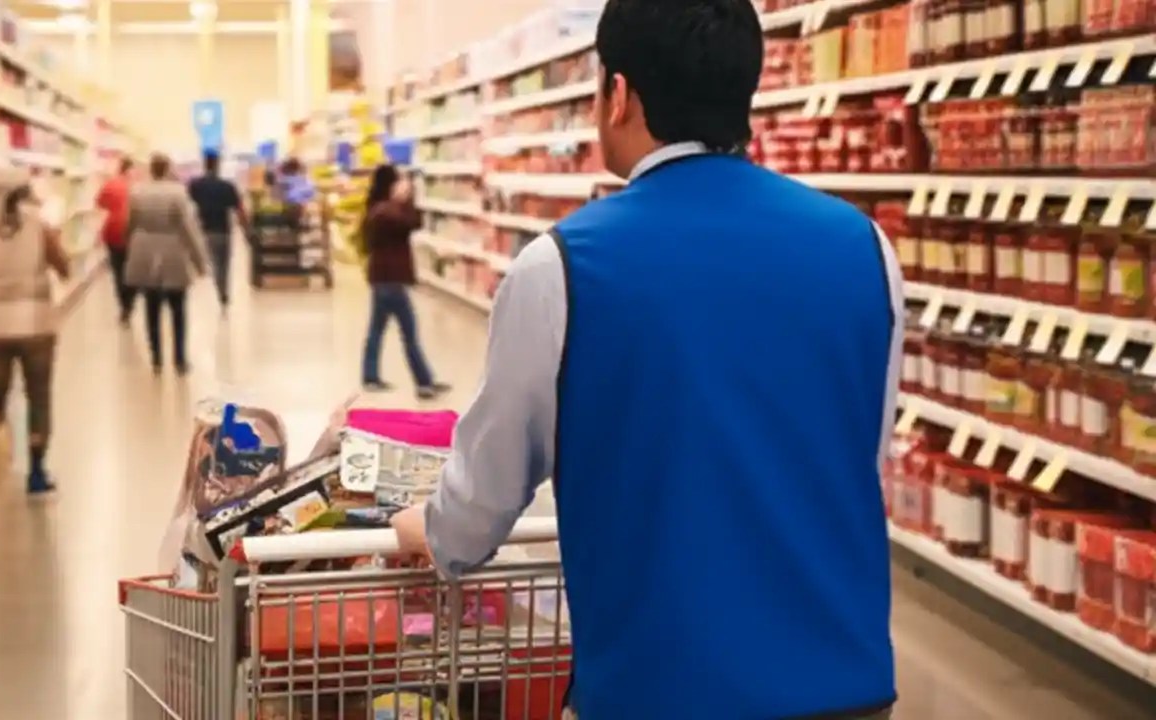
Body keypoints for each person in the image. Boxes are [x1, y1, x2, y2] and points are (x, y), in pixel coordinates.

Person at [391, 1, 900, 718]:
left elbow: (486, 496)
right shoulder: (866, 248)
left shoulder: (561, 267)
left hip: (660, 687)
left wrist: (431, 532)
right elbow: (861, 452)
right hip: (847, 686)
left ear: (619, 95)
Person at [0, 168, 71, 510]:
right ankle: (36, 474)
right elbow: (64, 265)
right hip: (35, 324)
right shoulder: (38, 226)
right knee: (38, 398)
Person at [359, 164, 449, 400]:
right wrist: (405, 199)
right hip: (390, 281)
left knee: (377, 330)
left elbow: (412, 222)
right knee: (408, 331)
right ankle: (424, 383)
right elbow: (410, 223)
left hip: (384, 280)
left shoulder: (378, 208)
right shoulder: (384, 212)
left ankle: (370, 377)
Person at [124, 154, 209, 375]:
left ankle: (156, 359)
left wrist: (130, 252)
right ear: (168, 168)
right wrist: (199, 262)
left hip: (145, 250)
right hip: (173, 251)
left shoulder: (137, 191)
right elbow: (188, 230)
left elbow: (130, 224)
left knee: (151, 309)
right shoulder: (178, 193)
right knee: (178, 309)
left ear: (151, 169)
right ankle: (180, 359)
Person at [187, 151, 249, 310]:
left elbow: (187, 206)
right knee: (224, 263)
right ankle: (223, 291)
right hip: (224, 230)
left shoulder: (196, 185)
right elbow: (239, 209)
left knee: (213, 262)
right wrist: (246, 230)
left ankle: (217, 289)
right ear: (218, 164)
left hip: (205, 230)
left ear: (204, 163)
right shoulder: (227, 186)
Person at [96, 157, 136, 323]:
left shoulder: (110, 184)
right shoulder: (136, 186)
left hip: (112, 230)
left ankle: (124, 306)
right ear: (131, 169)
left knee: (118, 270)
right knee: (132, 270)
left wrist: (113, 206)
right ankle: (130, 301)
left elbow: (100, 203)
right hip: (132, 231)